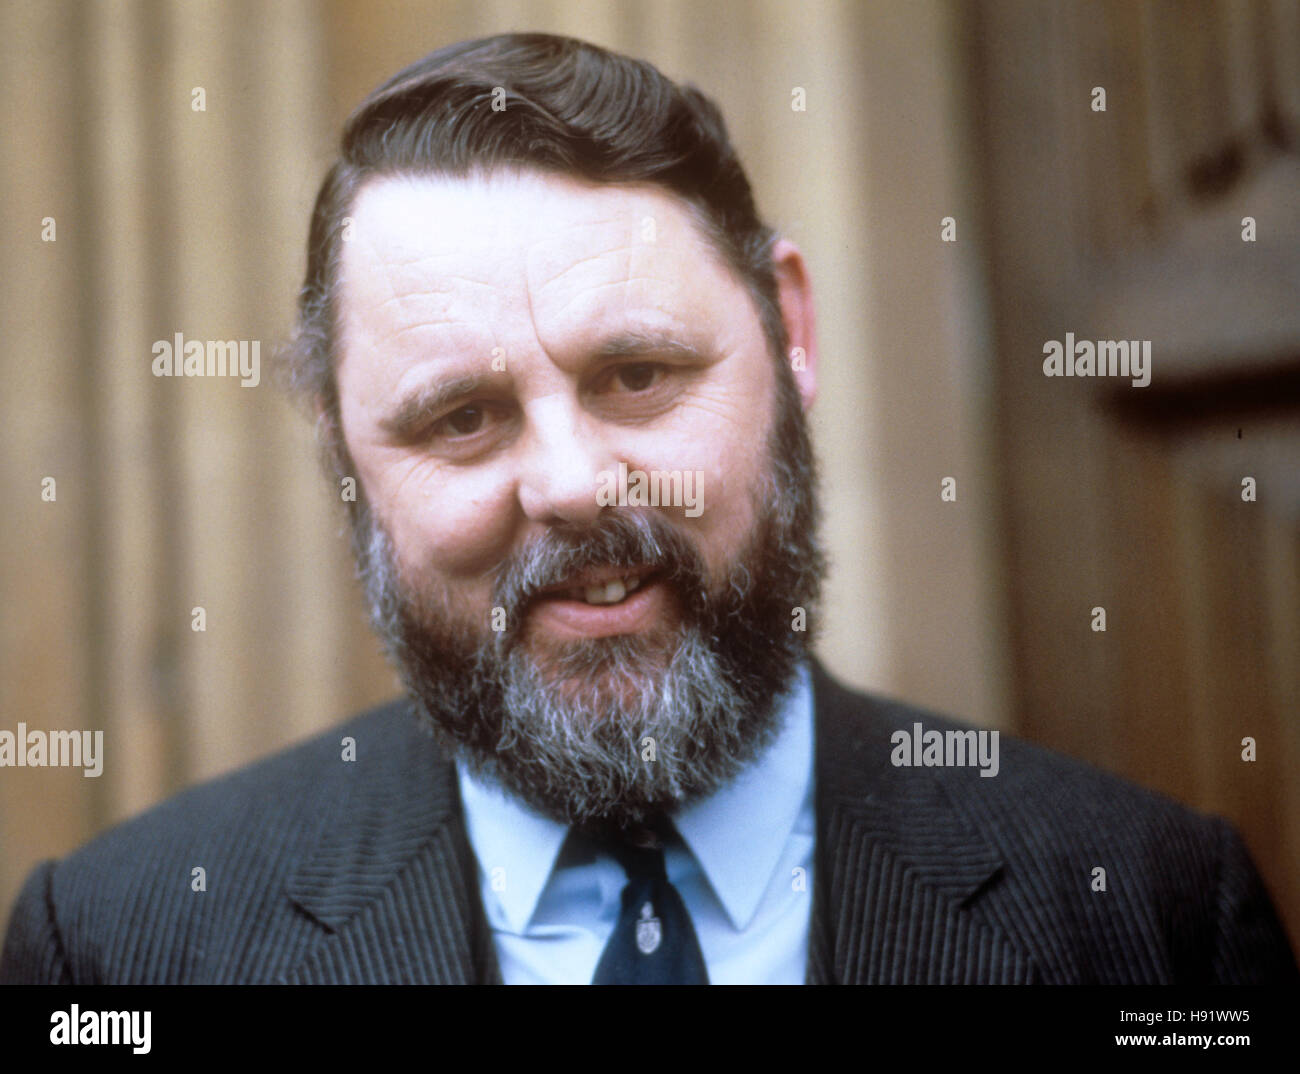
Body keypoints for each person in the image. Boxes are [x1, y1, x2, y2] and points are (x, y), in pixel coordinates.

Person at [3, 32, 1295, 985]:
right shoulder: (115, 953)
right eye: (463, 417)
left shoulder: (1156, 916)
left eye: (637, 375)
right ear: (346, 453)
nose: (571, 485)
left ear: (789, 330)